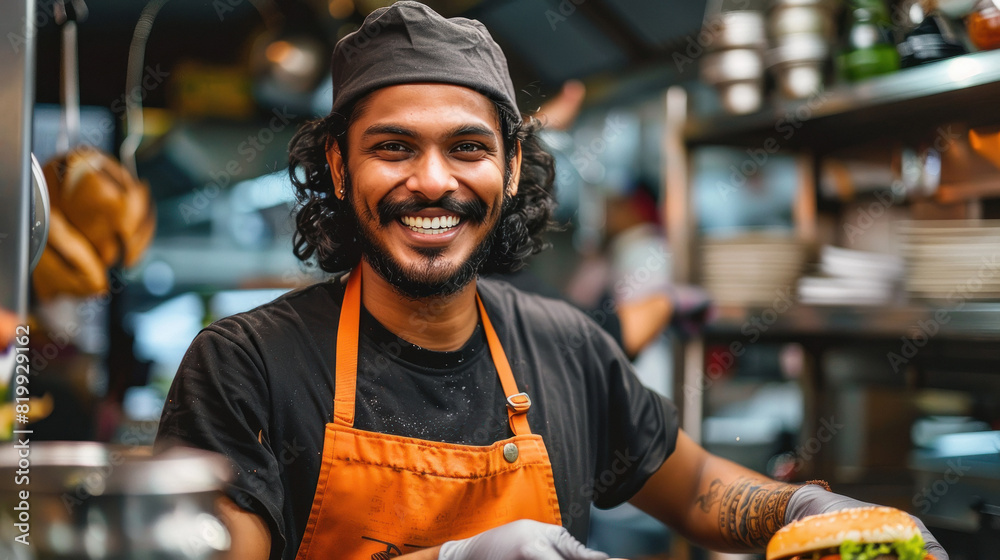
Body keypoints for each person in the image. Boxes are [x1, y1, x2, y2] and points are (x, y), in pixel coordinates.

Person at [155, 3, 948, 560]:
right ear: (338, 163)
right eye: (393, 147)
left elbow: (696, 486)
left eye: (467, 147)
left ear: (507, 165)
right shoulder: (244, 367)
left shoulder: (566, 348)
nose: (433, 182)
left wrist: (802, 509)